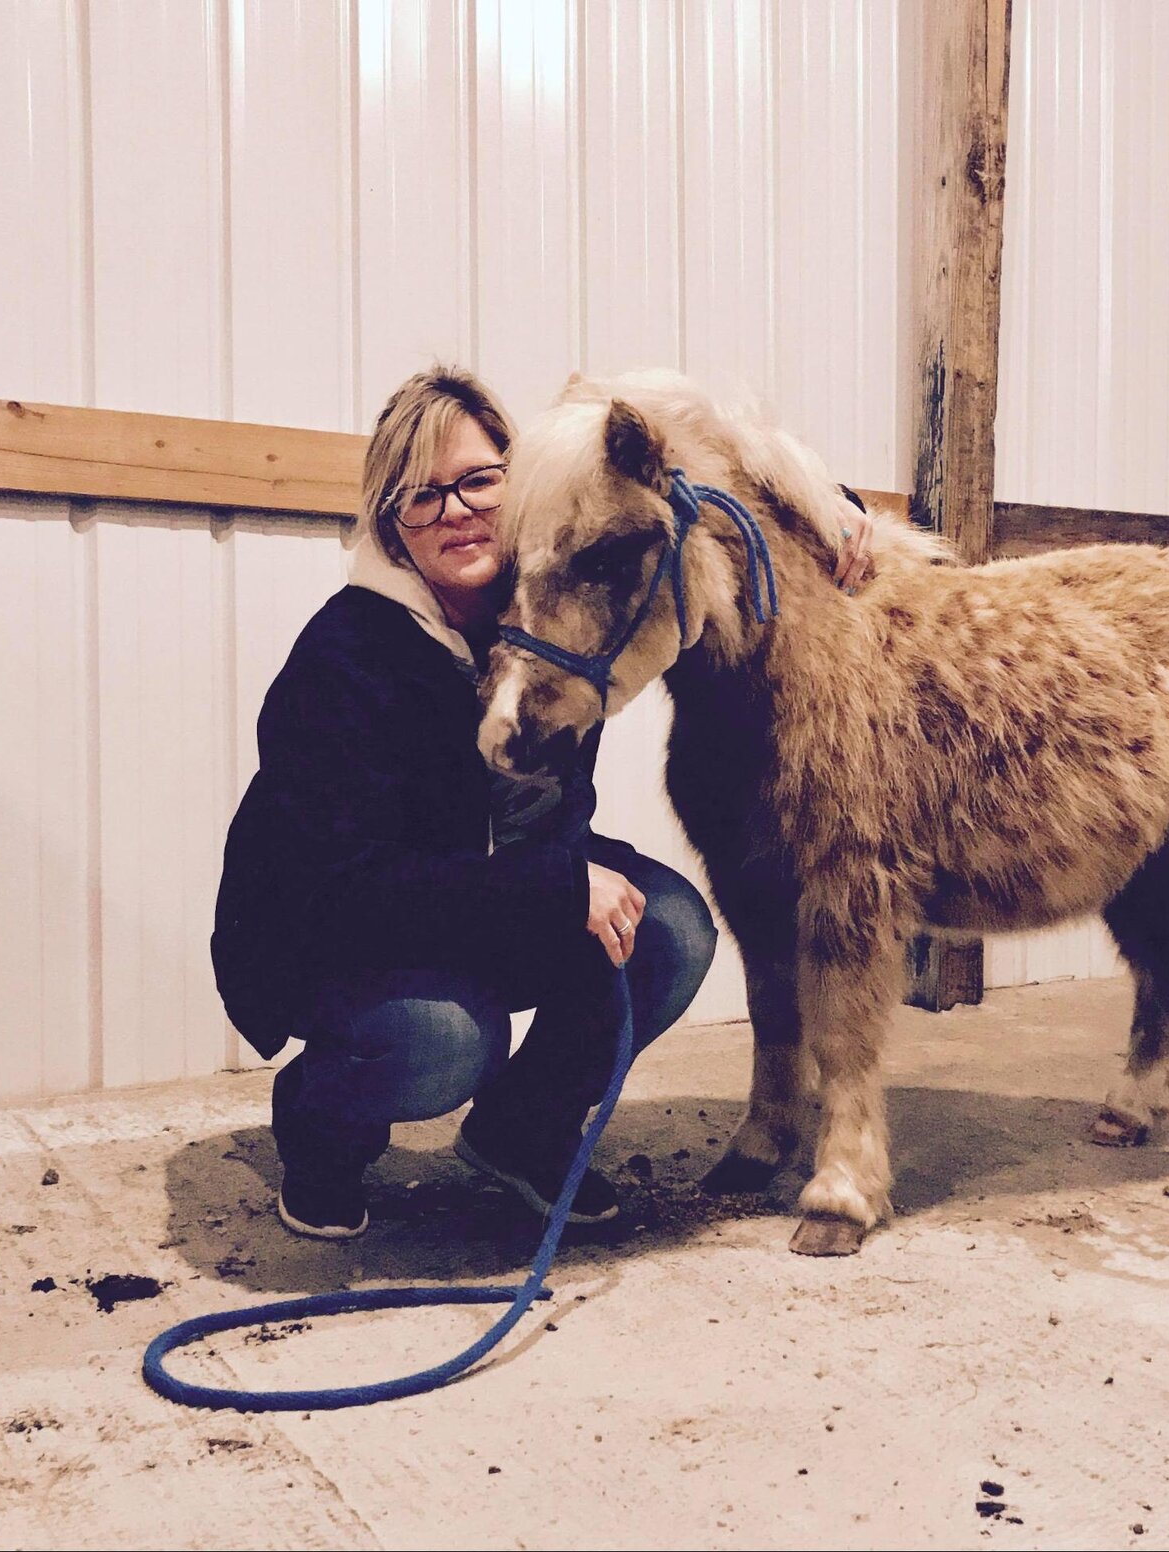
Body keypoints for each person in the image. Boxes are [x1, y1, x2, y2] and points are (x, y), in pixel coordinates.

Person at [211, 365, 877, 1240]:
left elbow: (684, 471)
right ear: (389, 525)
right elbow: (352, 892)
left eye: (479, 480)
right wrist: (561, 891)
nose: (455, 510)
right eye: (420, 497)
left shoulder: (551, 591)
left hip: (497, 891)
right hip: (345, 933)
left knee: (671, 932)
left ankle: (522, 1133)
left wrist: (831, 504)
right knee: (449, 1042)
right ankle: (319, 1135)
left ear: (517, 484)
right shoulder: (343, 661)